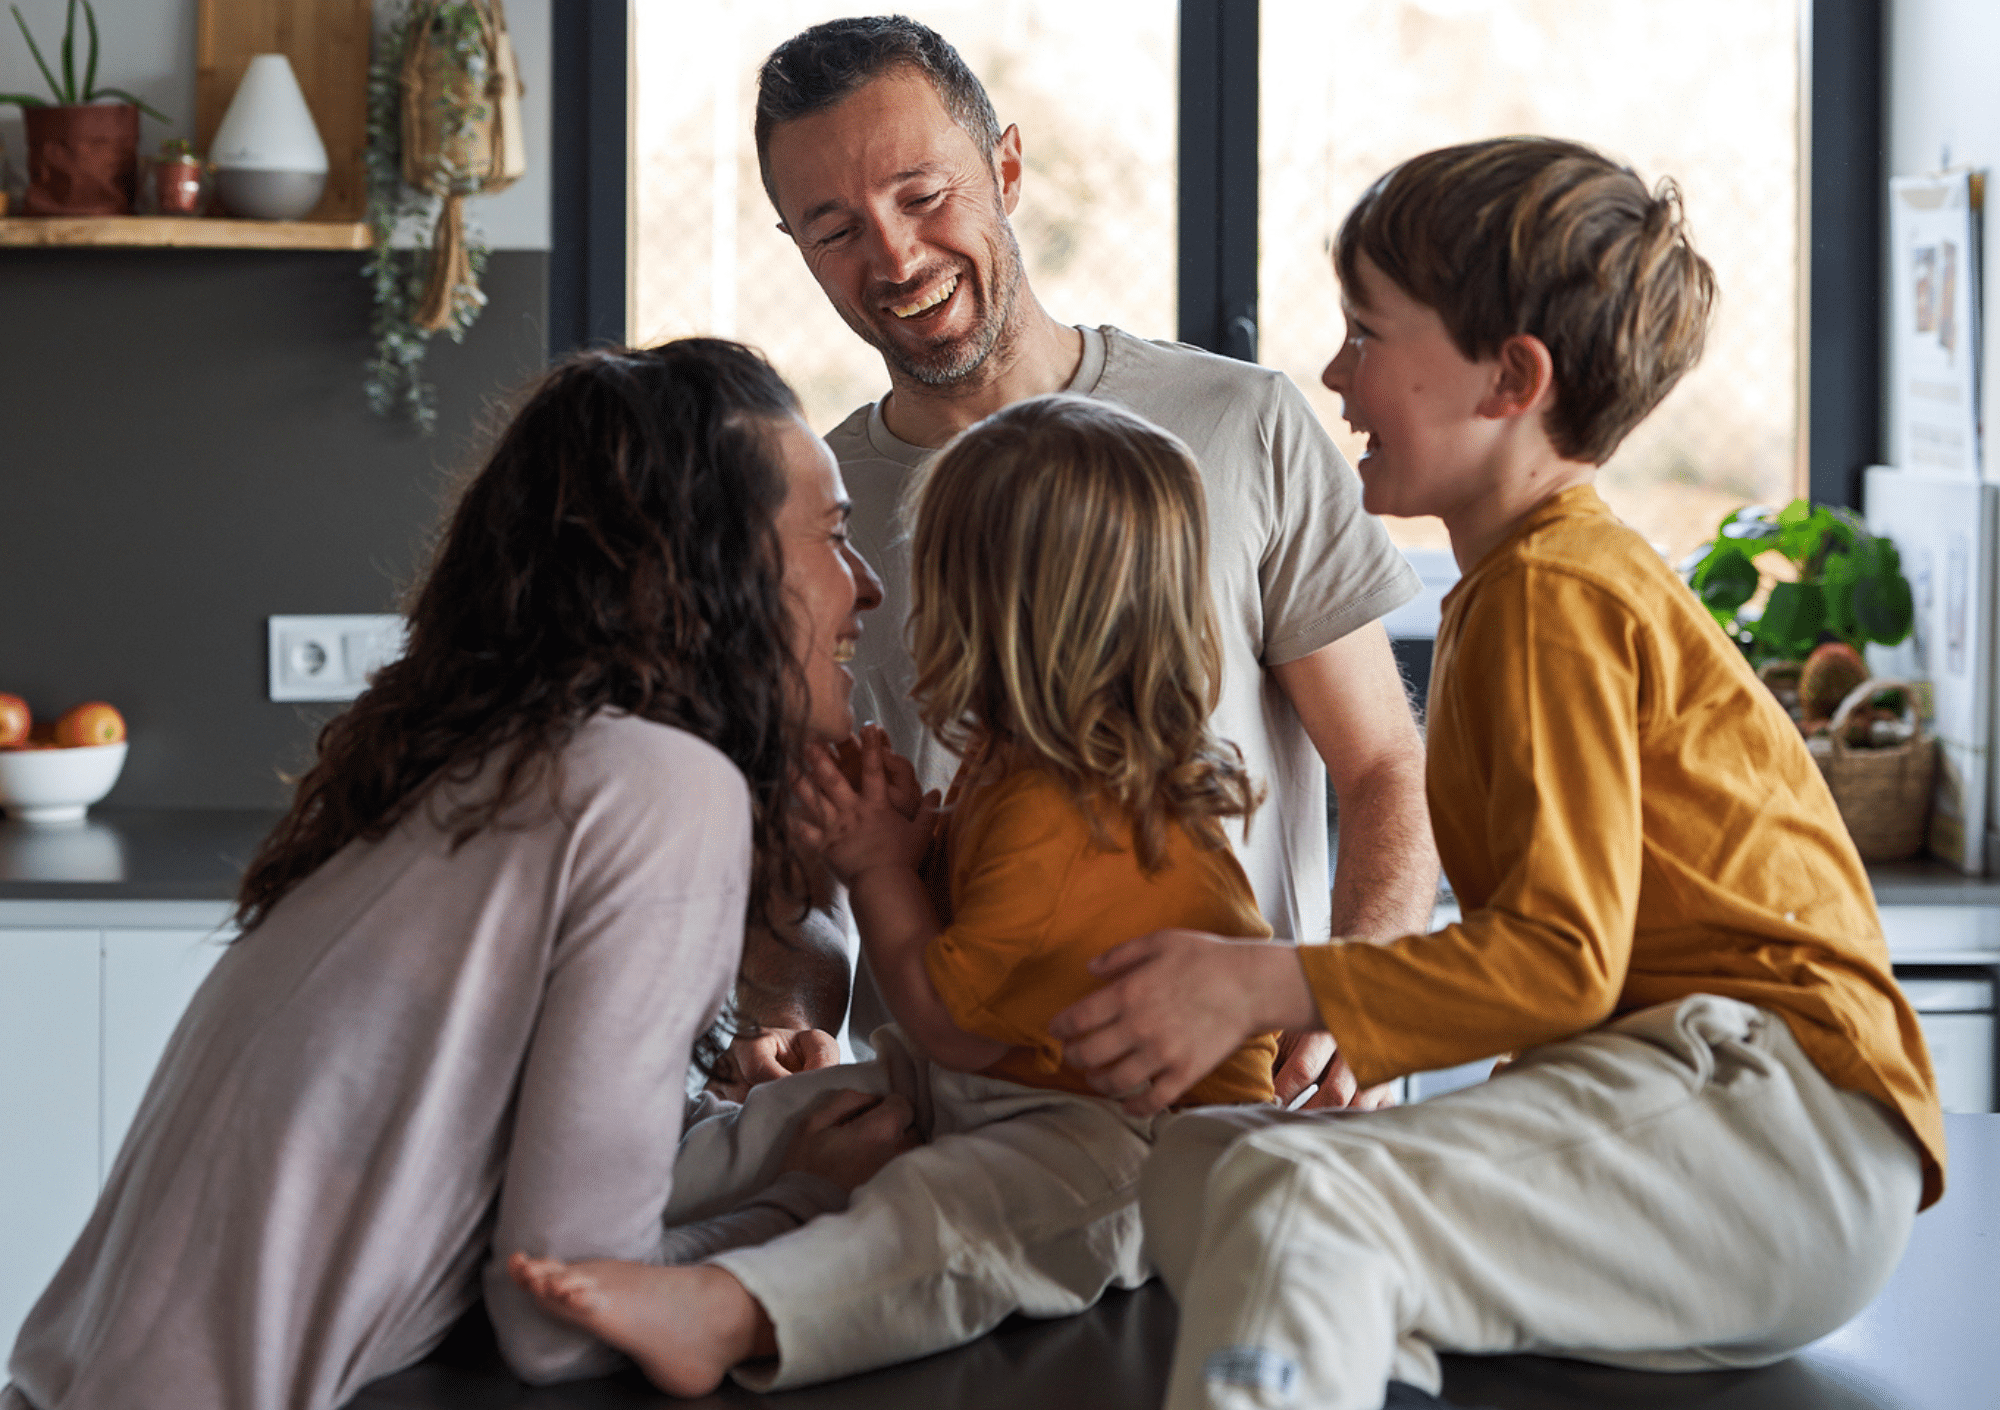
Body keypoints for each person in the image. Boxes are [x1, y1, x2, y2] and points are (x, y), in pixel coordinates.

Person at [1048, 137, 1948, 1410]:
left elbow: (1558, 960)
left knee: (1299, 1189)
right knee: (1204, 1163)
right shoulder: (1515, 585)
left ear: (1508, 379)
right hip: (1701, 1117)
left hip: (1773, 1128)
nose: (1333, 372)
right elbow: (1574, 975)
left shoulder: (1553, 594)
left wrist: (1268, 983)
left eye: (1366, 331)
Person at [1, 339, 917, 1410]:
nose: (866, 588)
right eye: (835, 536)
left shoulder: (499, 768)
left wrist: (741, 1136)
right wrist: (808, 1202)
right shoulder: (660, 785)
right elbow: (557, 1316)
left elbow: (487, 1176)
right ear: (703, 570)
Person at [509, 395, 1288, 1396]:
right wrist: (910, 851)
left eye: (932, 572)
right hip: (996, 1081)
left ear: (997, 603)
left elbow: (952, 1019)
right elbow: (996, 963)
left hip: (1136, 1137)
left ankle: (733, 1313)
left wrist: (875, 868)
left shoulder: (1077, 808)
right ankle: (590, 1204)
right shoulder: (1021, 766)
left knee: (944, 1214)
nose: (893, 596)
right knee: (791, 1112)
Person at [736, 15, 1440, 1104]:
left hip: (1257, 1111)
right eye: (834, 228)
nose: (895, 255)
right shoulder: (805, 515)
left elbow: (1385, 765)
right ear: (796, 247)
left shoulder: (1236, 421)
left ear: (1005, 168)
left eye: (923, 196)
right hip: (968, 1132)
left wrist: (1362, 988)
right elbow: (815, 850)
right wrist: (784, 1015)